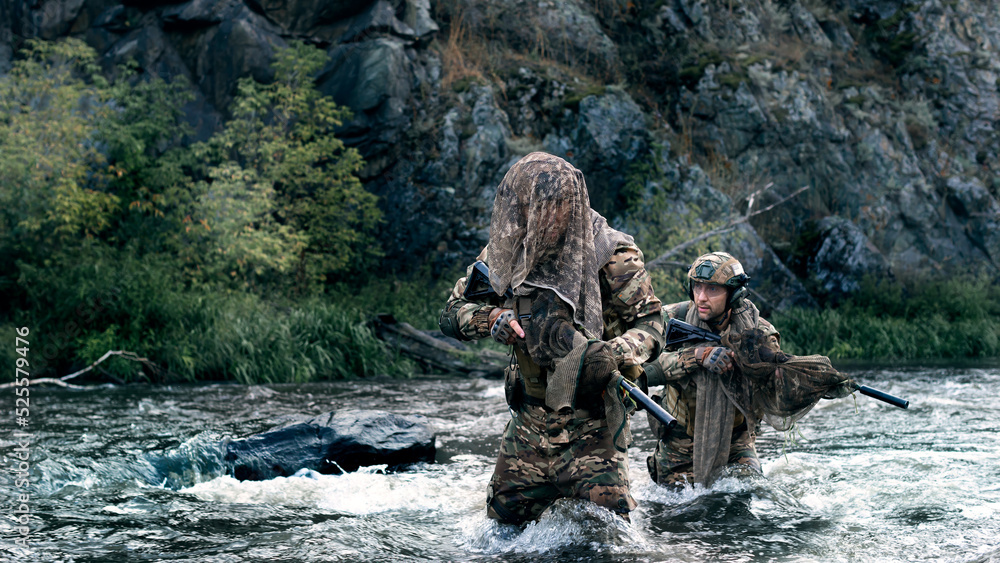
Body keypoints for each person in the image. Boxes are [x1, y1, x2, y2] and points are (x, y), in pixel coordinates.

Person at [438, 152, 664, 524]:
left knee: (609, 535)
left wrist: (611, 353)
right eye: (528, 205)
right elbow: (451, 313)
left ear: (571, 203)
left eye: (550, 205)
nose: (539, 216)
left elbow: (653, 324)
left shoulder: (613, 255)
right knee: (499, 532)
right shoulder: (505, 253)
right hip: (528, 422)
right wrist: (491, 319)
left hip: (593, 426)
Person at [641, 251, 853, 487]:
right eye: (697, 287)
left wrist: (789, 379)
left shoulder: (759, 332)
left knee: (748, 490)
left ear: (733, 294)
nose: (701, 297)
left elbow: (774, 394)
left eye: (712, 289)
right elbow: (641, 370)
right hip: (678, 442)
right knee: (671, 504)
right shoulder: (671, 318)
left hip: (736, 442)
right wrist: (696, 357)